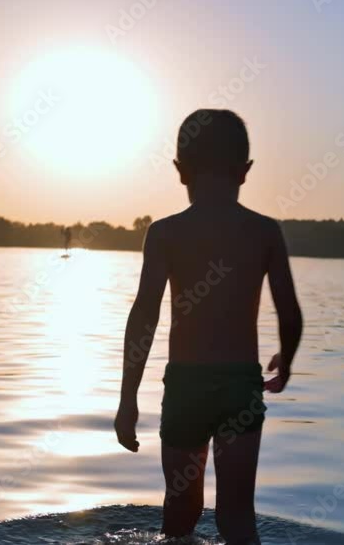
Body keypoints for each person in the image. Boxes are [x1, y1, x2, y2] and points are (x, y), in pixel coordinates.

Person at [115, 109, 303, 544]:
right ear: (245, 171)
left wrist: (128, 399)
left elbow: (144, 315)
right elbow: (289, 311)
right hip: (241, 384)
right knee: (237, 515)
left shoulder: (165, 234)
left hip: (185, 388)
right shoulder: (264, 231)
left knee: (180, 513)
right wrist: (287, 362)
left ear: (180, 171)